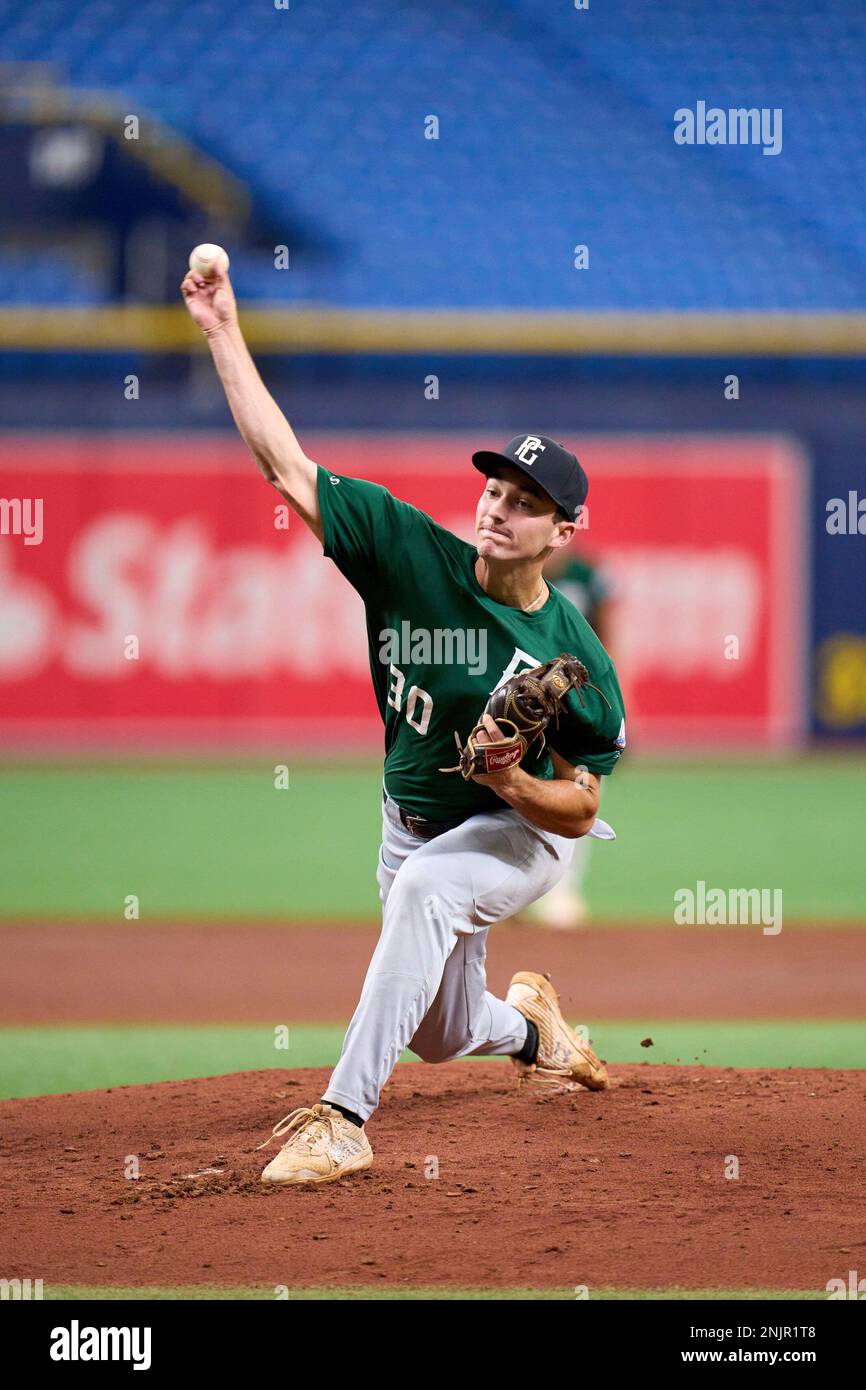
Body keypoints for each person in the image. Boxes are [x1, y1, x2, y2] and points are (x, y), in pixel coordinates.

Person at [181, 259, 627, 1185]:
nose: (501, 509)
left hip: (512, 831)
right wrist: (224, 327)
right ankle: (534, 1030)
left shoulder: (574, 652)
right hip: (408, 819)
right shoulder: (404, 552)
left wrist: (511, 782)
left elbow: (583, 810)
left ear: (563, 532)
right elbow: (284, 465)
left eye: (527, 503)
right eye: (497, 491)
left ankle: (343, 1118)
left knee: (428, 891)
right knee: (446, 1032)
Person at [524, 547, 620, 928]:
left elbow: (609, 647)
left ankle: (561, 890)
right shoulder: (510, 576)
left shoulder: (588, 577)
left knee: (578, 795)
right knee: (512, 791)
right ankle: (513, 892)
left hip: (577, 707)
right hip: (520, 705)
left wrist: (619, 709)